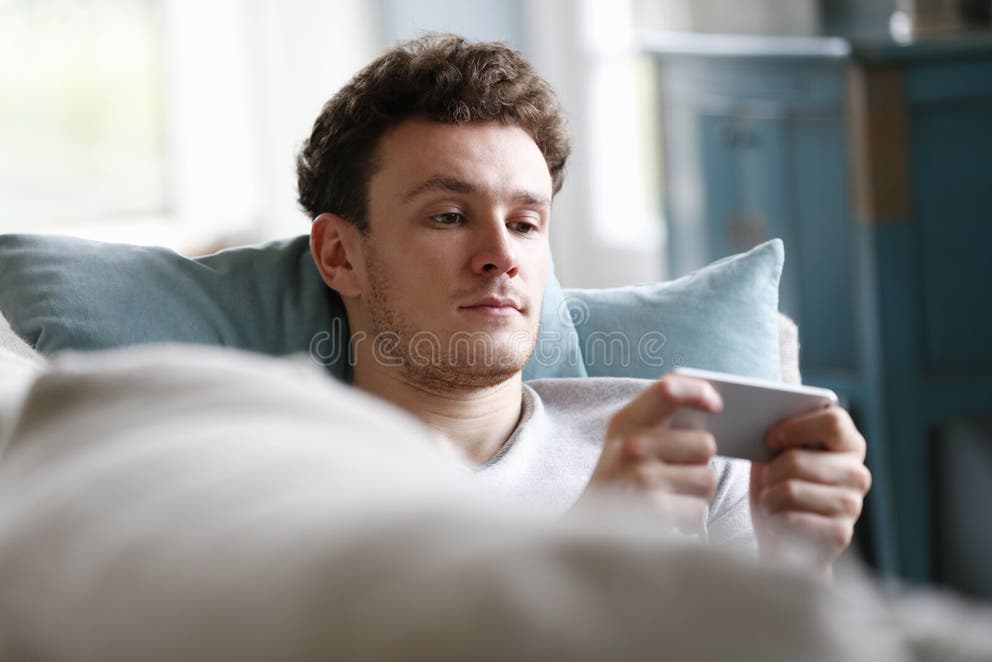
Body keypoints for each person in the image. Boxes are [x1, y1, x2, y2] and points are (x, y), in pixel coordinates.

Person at [296, 34, 871, 574]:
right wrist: (590, 546)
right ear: (340, 256)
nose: (501, 255)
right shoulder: (285, 486)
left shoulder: (683, 445)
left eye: (525, 224)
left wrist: (795, 565)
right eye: (448, 217)